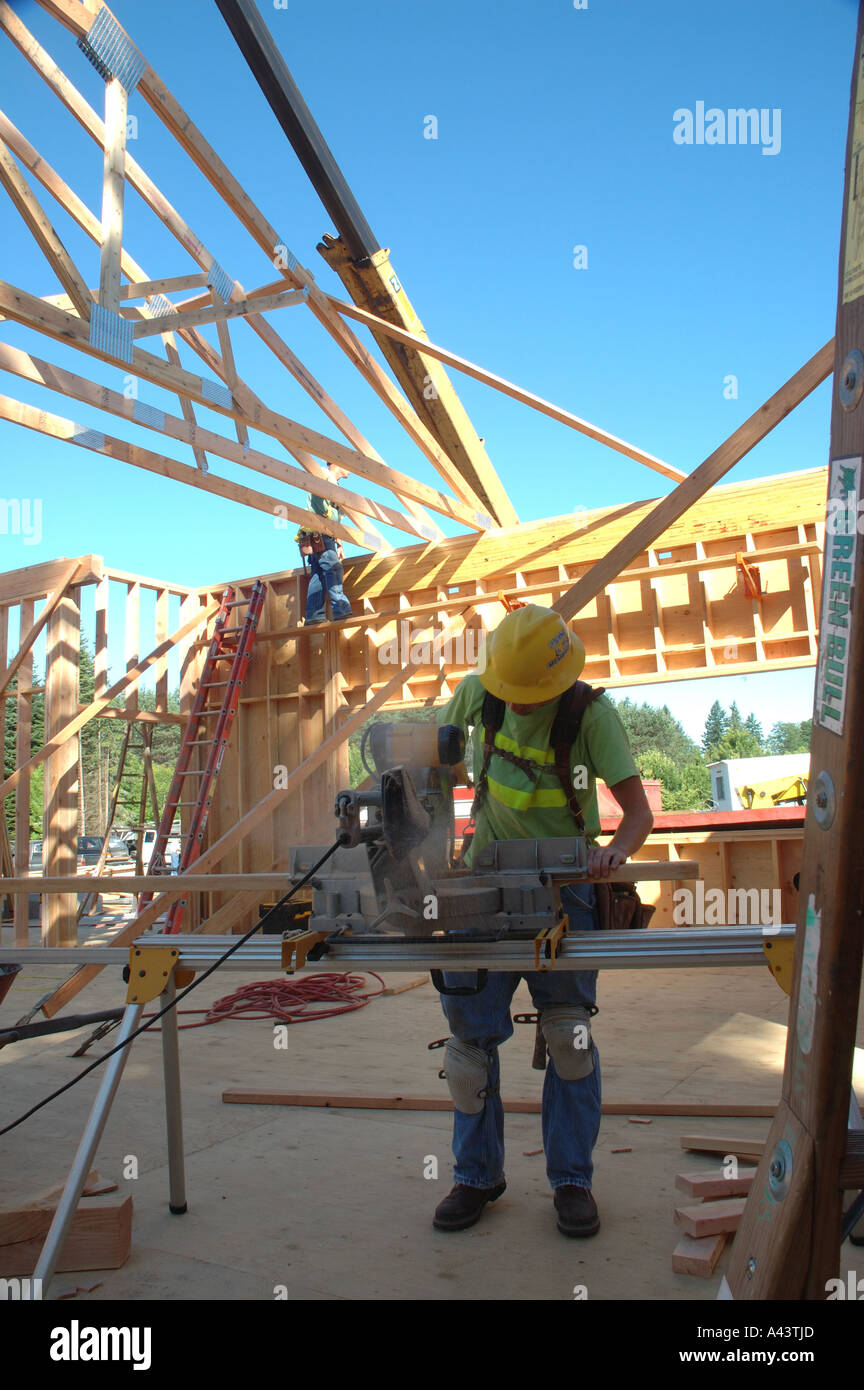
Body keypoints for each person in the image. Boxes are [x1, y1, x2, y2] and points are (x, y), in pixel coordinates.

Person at [432, 604, 653, 1237]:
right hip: (484, 883)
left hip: (568, 889)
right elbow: (435, 772)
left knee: (569, 1039)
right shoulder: (479, 693)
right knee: (469, 1048)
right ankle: (476, 1176)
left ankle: (572, 1181)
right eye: (511, 695)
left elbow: (638, 816)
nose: (519, 706)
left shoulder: (592, 714)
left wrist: (617, 851)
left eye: (531, 698)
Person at [296, 464, 354, 625]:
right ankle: (341, 610)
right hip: (319, 533)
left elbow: (335, 520)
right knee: (333, 568)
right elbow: (320, 507)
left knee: (319, 574)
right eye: (347, 463)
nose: (351, 468)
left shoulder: (335, 486)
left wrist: (340, 543)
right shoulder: (322, 476)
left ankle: (314, 615)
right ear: (336, 463)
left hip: (322, 535)